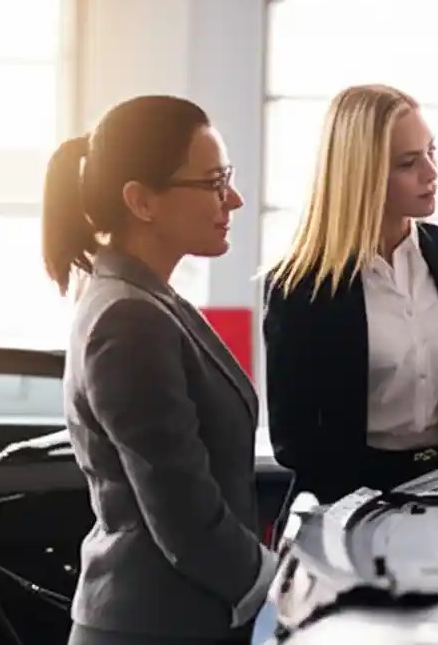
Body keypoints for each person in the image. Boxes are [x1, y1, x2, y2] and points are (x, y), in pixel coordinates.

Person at [42, 95, 274, 645]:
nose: (234, 199)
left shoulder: (146, 299)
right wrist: (282, 582)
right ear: (141, 201)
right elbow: (183, 515)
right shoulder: (128, 318)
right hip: (154, 623)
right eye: (214, 182)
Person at [261, 84, 438, 511]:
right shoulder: (299, 285)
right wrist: (373, 501)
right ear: (361, 174)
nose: (431, 172)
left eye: (431, 152)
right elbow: (293, 440)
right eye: (409, 162)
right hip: (355, 501)